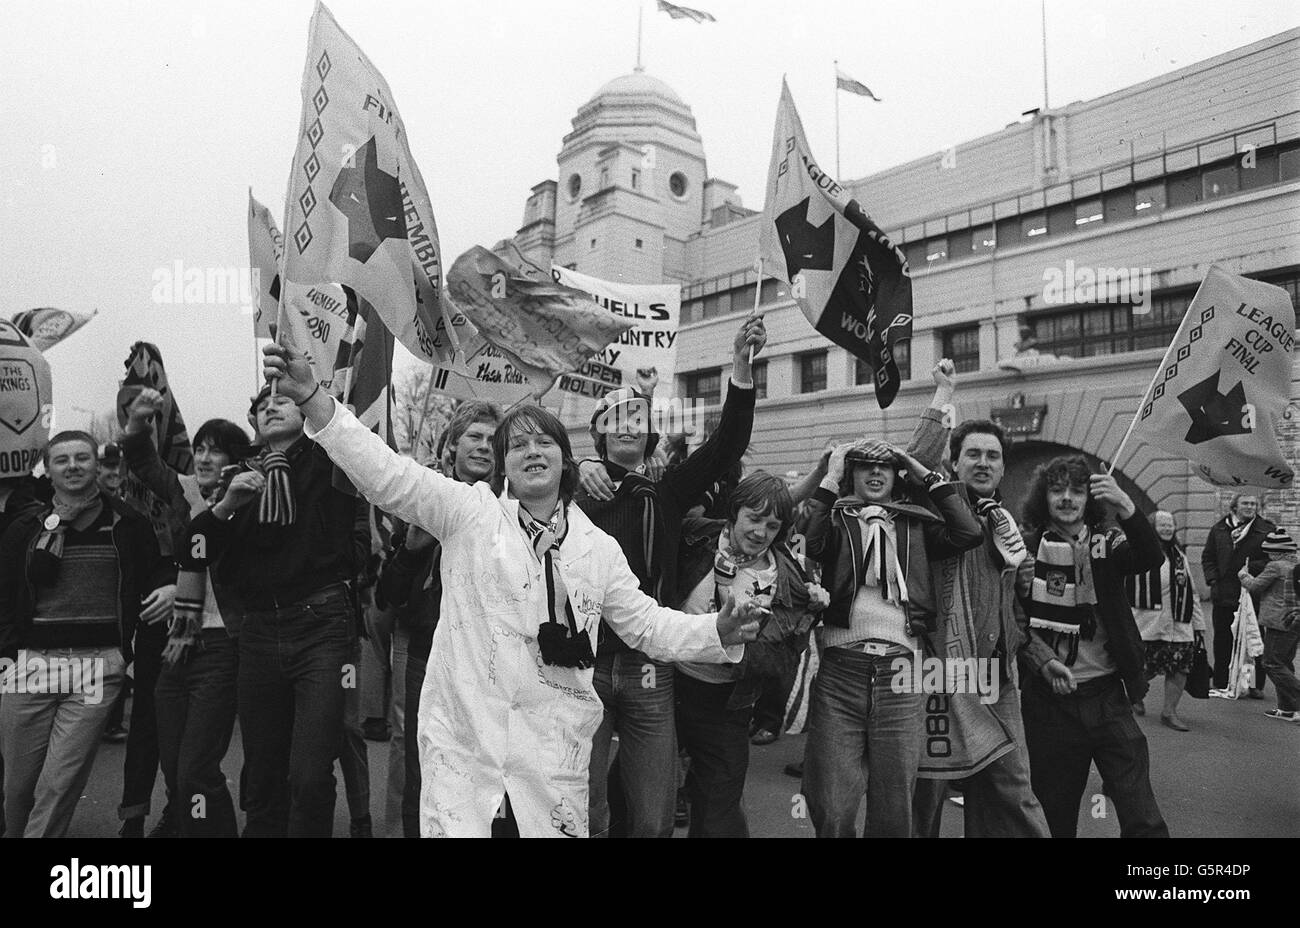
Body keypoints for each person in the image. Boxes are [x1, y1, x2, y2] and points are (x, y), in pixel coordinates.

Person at [264, 342, 764, 837]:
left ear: (566, 463)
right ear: (503, 465)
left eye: (544, 442)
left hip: (550, 763)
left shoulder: (598, 549)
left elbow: (648, 624)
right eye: (518, 445)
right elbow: (385, 473)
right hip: (467, 755)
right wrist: (313, 399)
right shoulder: (469, 512)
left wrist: (715, 629)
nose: (531, 451)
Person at [575, 315, 763, 837]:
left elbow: (726, 446)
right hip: (582, 664)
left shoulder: (670, 489)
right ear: (599, 433)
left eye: (638, 416)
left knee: (655, 817)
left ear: (651, 430)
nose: (629, 424)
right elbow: (516, 478)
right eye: (617, 417)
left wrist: (742, 368)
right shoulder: (570, 489)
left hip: (648, 667)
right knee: (581, 809)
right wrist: (573, 468)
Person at [182, 384, 369, 838]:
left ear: (304, 411)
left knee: (308, 773)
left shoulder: (333, 459)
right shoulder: (236, 476)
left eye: (281, 400)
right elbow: (196, 550)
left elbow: (360, 455)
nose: (270, 407)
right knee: (263, 773)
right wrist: (228, 506)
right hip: (260, 632)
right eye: (262, 406)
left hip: (322, 627)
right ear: (253, 423)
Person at [802, 437, 983, 837]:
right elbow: (811, 543)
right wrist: (830, 476)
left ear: (898, 476)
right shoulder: (837, 519)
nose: (877, 473)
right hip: (841, 669)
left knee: (893, 806)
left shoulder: (915, 523)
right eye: (866, 466)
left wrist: (922, 470)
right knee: (832, 805)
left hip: (902, 672)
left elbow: (968, 532)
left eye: (886, 466)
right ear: (852, 475)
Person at [0, 430, 170, 837]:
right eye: (62, 460)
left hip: (97, 665)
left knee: (60, 782)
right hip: (30, 665)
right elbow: (4, 597)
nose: (73, 466)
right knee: (18, 787)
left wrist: (171, 584)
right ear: (49, 469)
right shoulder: (26, 528)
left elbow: (160, 566)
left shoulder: (128, 524)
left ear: (97, 464)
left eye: (82, 458)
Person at [907, 364, 1051, 838]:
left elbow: (1013, 610)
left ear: (1004, 467)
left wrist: (1039, 657)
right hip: (936, 675)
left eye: (992, 455)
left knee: (1014, 789)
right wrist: (944, 393)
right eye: (973, 454)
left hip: (997, 676)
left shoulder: (1006, 526)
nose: (983, 463)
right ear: (954, 463)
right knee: (924, 796)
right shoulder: (931, 510)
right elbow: (911, 461)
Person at [1016, 456, 1169, 838]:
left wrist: (1127, 506)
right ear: (1043, 497)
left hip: (1108, 697)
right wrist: (1043, 661)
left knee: (1140, 809)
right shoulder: (1026, 546)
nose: (1067, 499)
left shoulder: (1108, 541)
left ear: (1089, 498)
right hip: (1050, 701)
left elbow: (1151, 556)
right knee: (1055, 811)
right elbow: (1014, 620)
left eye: (1077, 491)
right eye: (1057, 490)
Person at [122, 391, 251, 837]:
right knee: (175, 766)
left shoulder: (251, 500)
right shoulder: (186, 492)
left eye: (215, 449)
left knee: (196, 767)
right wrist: (138, 421)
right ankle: (185, 822)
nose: (203, 457)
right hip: (178, 642)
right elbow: (144, 462)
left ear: (235, 460)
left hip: (222, 644)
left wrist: (178, 586)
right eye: (199, 447)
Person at [673, 471, 822, 837]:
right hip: (669, 686)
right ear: (734, 512)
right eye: (753, 519)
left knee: (719, 808)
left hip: (728, 702)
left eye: (772, 526)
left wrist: (811, 607)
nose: (760, 532)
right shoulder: (695, 535)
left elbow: (786, 649)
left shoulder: (786, 575)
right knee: (646, 799)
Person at [377, 401, 501, 837]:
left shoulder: (509, 507)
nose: (484, 447)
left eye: (492, 439)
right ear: (452, 444)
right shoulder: (422, 499)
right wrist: (411, 551)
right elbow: (386, 595)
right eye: (474, 437)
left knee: (481, 764)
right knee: (416, 756)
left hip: (487, 660)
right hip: (423, 651)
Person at [1126, 510, 1206, 732]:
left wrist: (1199, 625)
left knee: (1180, 668)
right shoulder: (1138, 554)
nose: (1167, 528)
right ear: (1152, 527)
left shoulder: (1179, 556)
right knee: (1145, 667)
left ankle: (1169, 712)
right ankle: (1133, 695)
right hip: (1147, 624)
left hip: (1179, 623)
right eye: (1162, 524)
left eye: (1170, 524)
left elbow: (1192, 592)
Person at [1202, 493, 1273, 697]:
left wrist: (1252, 569)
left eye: (1253, 504)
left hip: (1251, 594)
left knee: (1252, 641)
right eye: (1245, 503)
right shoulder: (1219, 529)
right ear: (1235, 506)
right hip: (1224, 594)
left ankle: (1250, 684)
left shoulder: (1266, 529)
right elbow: (1208, 557)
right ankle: (1222, 680)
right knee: (1223, 640)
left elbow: (1273, 559)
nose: (1250, 507)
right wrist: (1213, 580)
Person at [1238, 529, 1300, 722]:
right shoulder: (1296, 564)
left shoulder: (1275, 566)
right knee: (1285, 663)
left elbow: (1256, 586)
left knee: (1271, 663)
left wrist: (1243, 576)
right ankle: (1287, 708)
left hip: (1278, 621)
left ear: (1275, 551)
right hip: (1294, 620)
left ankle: (1295, 698)